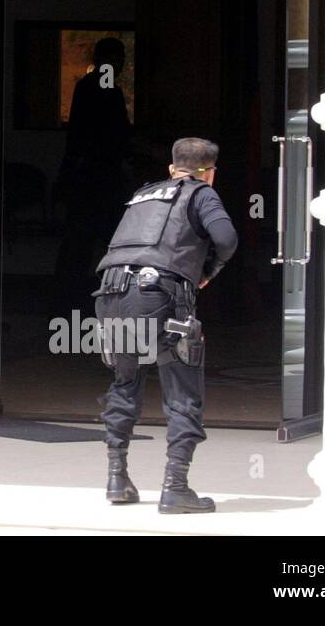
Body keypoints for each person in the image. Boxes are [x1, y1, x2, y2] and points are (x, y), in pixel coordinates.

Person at [92, 137, 238, 515]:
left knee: (125, 382)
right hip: (159, 295)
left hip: (110, 293)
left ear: (172, 168)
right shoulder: (201, 193)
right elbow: (226, 239)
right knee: (182, 387)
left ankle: (117, 479)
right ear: (210, 172)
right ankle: (175, 488)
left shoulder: (145, 193)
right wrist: (207, 272)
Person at [56, 37, 134, 311]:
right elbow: (114, 134)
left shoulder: (88, 87)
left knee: (81, 239)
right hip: (99, 176)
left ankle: (68, 297)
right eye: (116, 58)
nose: (119, 64)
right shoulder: (106, 90)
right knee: (100, 238)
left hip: (89, 174)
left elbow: (78, 135)